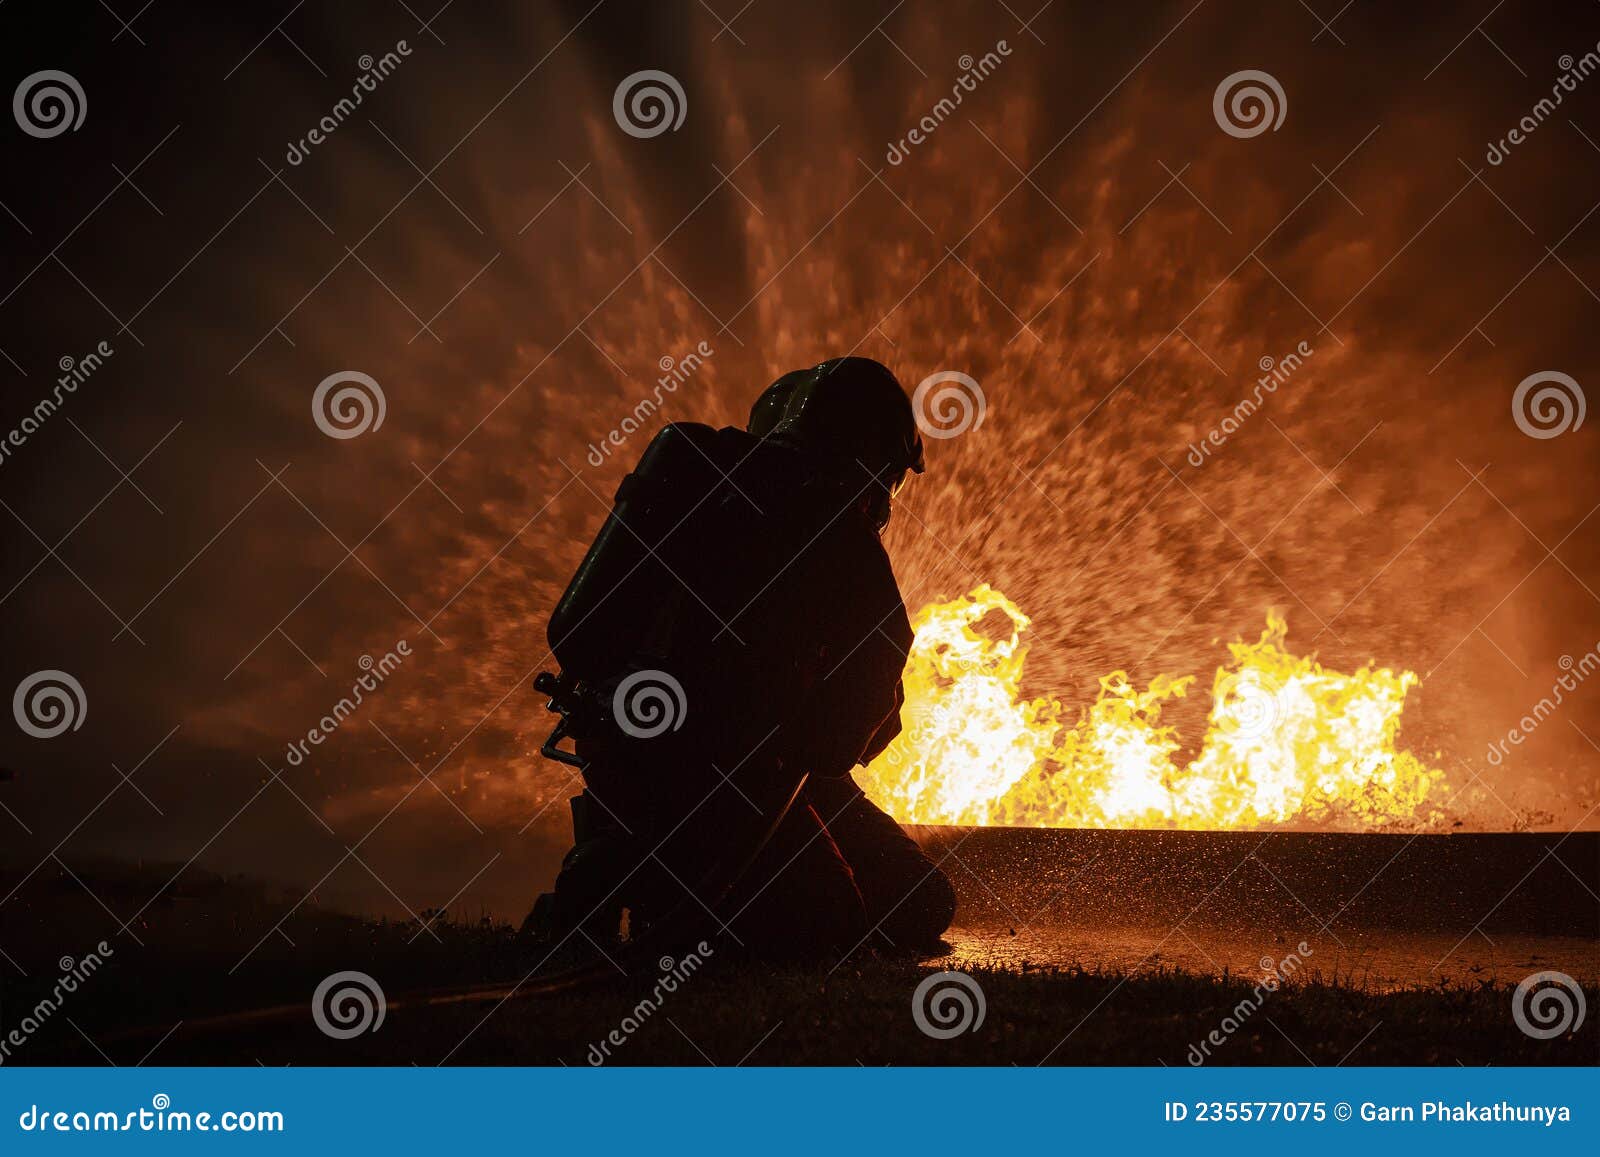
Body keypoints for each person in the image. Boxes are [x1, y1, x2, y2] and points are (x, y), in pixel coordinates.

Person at [530, 357, 956, 960]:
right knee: (859, 922)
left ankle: (628, 865)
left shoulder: (687, 462)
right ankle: (644, 881)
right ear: (869, 457)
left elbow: (575, 631)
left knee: (893, 901)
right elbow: (846, 735)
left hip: (634, 764)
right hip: (750, 789)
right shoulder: (840, 528)